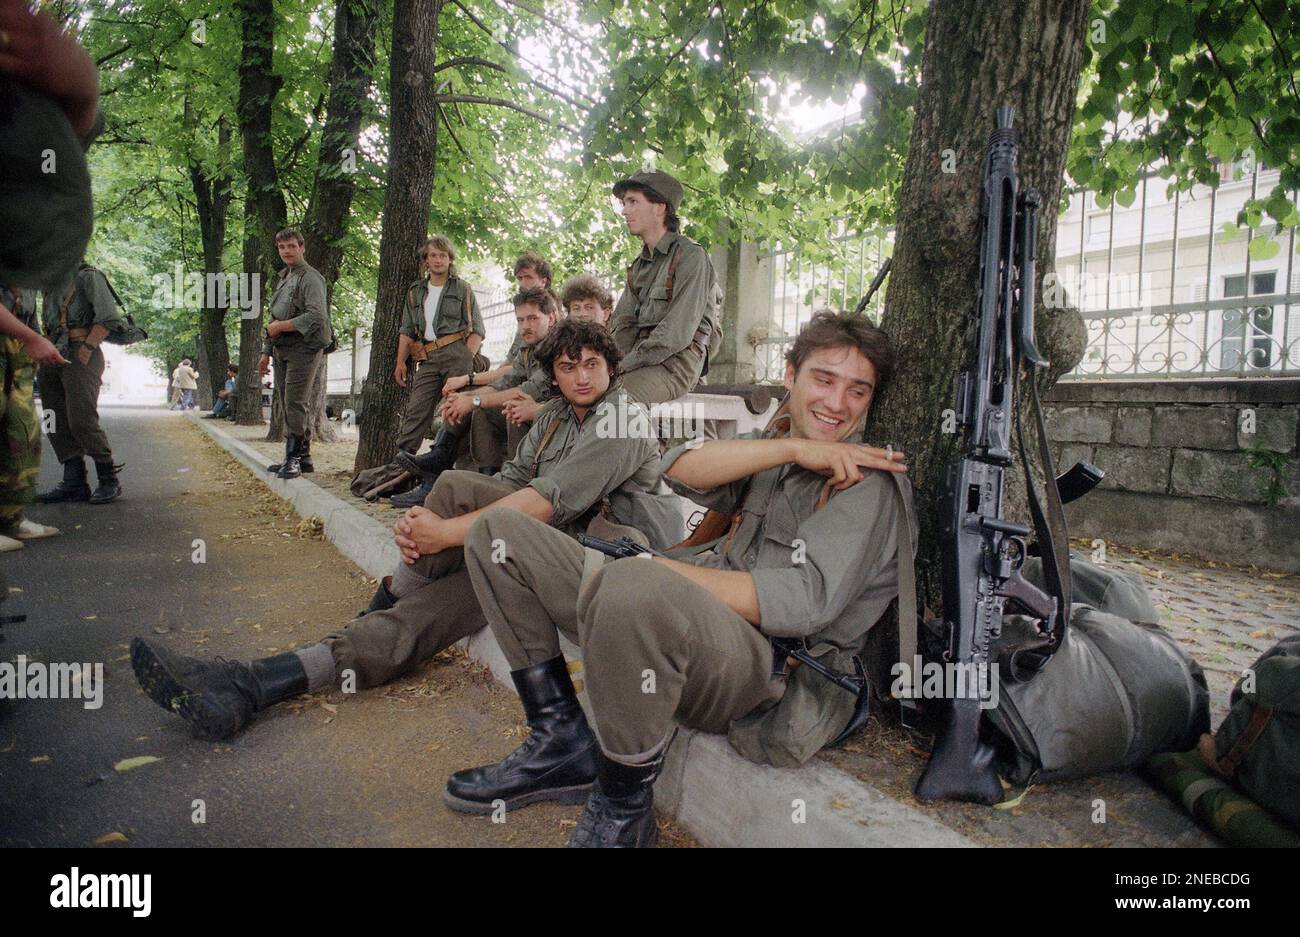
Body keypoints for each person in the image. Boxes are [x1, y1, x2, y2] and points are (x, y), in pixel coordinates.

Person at [446, 312, 911, 847]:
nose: (837, 403)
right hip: (681, 626)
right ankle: (560, 740)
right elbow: (680, 467)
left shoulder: (869, 486)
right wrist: (790, 446)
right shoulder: (779, 452)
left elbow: (804, 603)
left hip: (763, 667)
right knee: (500, 533)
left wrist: (658, 570)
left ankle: (624, 806)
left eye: (857, 390)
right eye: (823, 380)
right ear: (791, 376)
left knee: (633, 582)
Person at [129, 319, 684, 742]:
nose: (581, 376)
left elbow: (543, 502)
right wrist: (448, 529)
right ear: (555, 375)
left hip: (602, 570)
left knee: (450, 496)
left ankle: (386, 601)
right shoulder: (561, 414)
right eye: (567, 367)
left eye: (591, 364)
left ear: (610, 364)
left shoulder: (621, 416)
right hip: (537, 552)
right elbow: (513, 479)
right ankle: (252, 683)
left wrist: (444, 534)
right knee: (419, 616)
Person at [397, 287, 558, 490]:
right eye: (520, 320)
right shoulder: (527, 349)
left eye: (533, 318)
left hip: (556, 417)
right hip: (535, 412)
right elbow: (504, 382)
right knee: (483, 410)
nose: (525, 326)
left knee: (512, 407)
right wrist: (465, 398)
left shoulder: (558, 347)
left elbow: (528, 389)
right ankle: (485, 480)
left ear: (551, 318)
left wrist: (473, 400)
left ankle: (518, 484)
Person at [610, 170, 722, 405]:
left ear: (659, 207)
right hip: (641, 362)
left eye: (633, 202)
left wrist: (623, 365)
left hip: (677, 363)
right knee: (571, 400)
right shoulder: (639, 266)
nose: (625, 210)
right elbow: (623, 326)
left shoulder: (691, 256)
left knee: (616, 403)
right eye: (624, 203)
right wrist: (607, 365)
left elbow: (675, 335)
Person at [390, 236, 484, 479]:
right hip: (429, 356)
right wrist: (401, 362)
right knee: (416, 408)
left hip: (456, 352)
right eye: (433, 255)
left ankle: (439, 464)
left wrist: (466, 358)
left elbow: (478, 330)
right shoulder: (415, 291)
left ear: (450, 259)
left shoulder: (462, 288)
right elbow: (406, 330)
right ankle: (401, 467)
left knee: (454, 409)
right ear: (426, 260)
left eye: (443, 255)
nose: (438, 260)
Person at [35, 261, 128, 505]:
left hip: (80, 352)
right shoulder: (48, 278)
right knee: (52, 418)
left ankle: (108, 479)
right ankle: (74, 481)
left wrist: (87, 348)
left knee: (81, 418)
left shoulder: (88, 276)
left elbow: (108, 317)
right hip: (52, 352)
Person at [258, 229, 332, 479]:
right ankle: (304, 457)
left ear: (302, 247)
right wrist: (265, 351)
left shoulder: (311, 278)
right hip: (282, 348)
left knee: (294, 402)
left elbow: (316, 316)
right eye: (281, 247)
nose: (286, 251)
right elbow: (274, 316)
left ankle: (293, 459)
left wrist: (281, 327)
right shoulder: (285, 276)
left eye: (291, 246)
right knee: (288, 401)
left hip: (304, 348)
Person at [0, 283, 62, 551]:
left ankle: (9, 519)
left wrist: (33, 338)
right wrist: (33, 338)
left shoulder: (24, 259)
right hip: (15, 338)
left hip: (16, 346)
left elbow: (25, 309)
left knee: (21, 433)